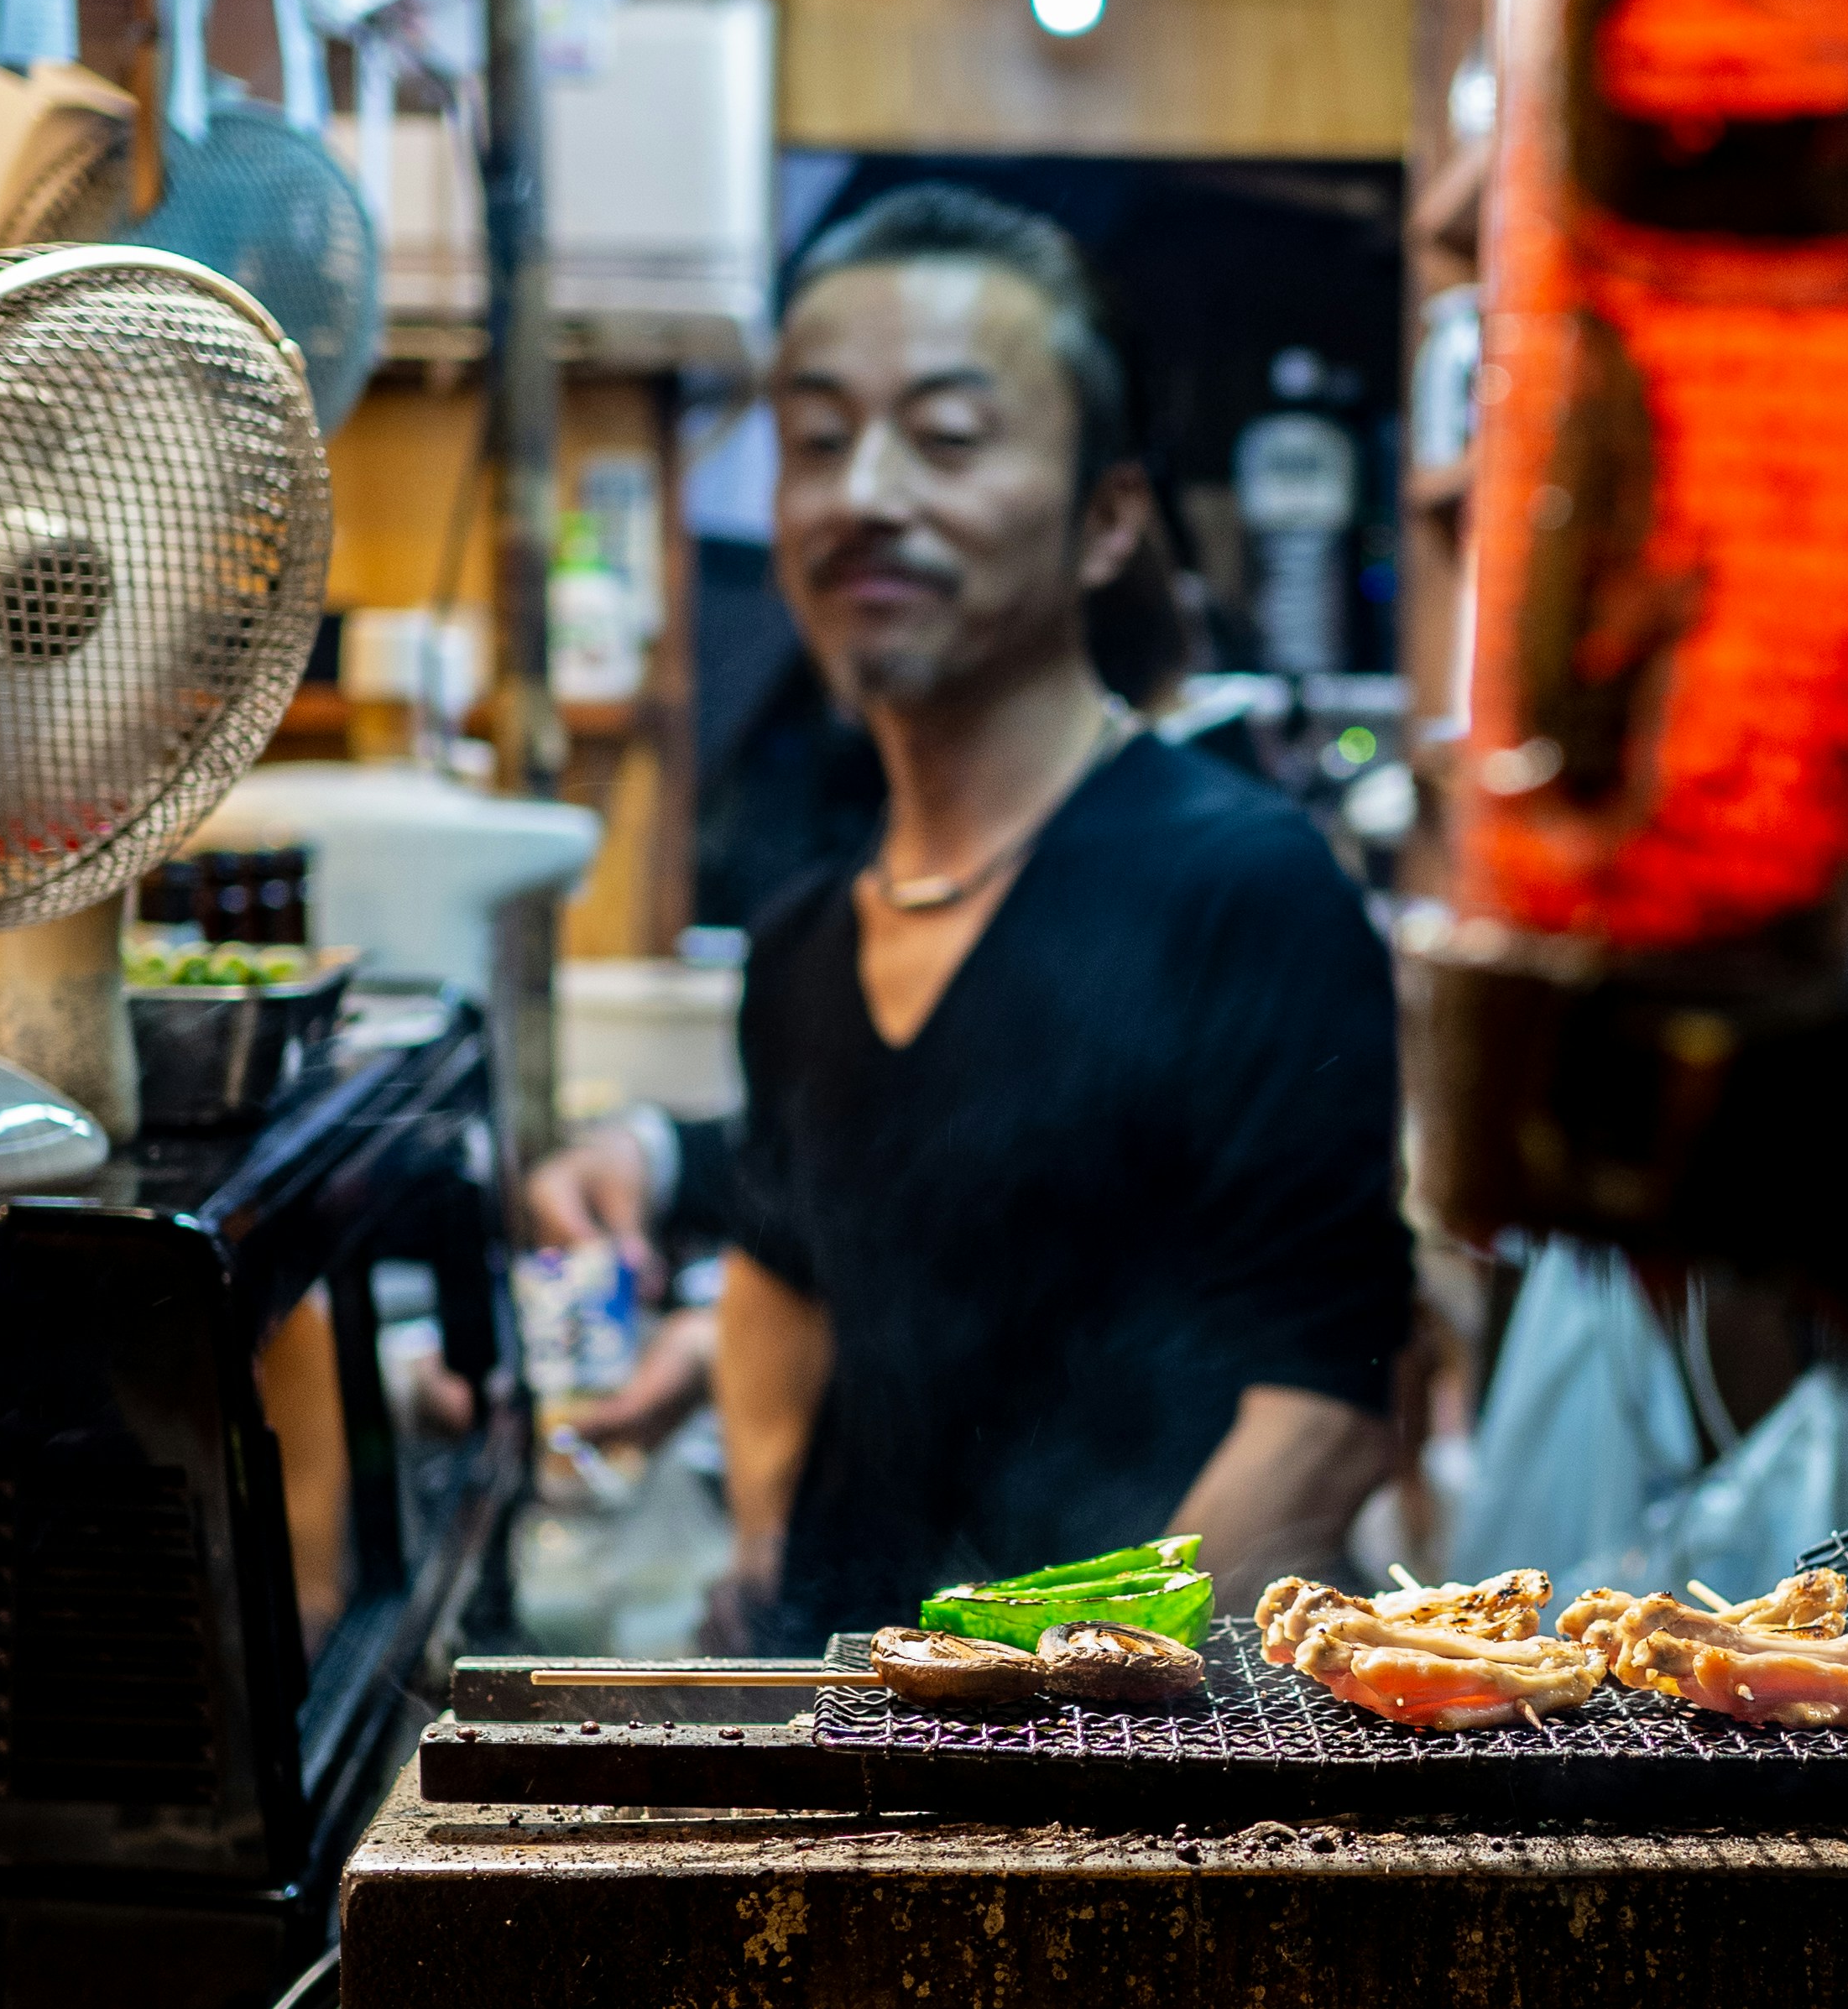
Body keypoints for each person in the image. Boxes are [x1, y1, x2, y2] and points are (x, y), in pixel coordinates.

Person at [528, 184, 1412, 1650]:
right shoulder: (809, 933)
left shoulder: (1247, 889)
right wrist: (769, 1547)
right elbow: (780, 1273)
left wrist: (1057, 1708)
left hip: (1118, 1770)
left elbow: (1318, 1427)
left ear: (1109, 515)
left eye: (946, 437)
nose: (866, 491)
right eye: (818, 439)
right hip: (853, 1719)